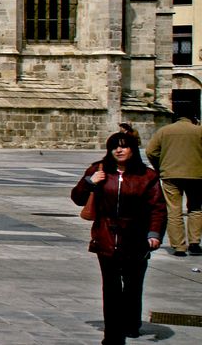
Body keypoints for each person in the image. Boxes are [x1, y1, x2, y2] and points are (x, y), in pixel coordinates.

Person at [71, 130, 167, 345]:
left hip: (136, 237)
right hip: (105, 235)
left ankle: (131, 324)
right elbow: (77, 198)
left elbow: (158, 208)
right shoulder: (99, 169)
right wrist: (89, 181)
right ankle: (113, 334)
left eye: (124, 146)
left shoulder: (147, 176)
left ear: (133, 150)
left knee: (133, 284)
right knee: (111, 287)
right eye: (115, 146)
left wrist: (154, 234)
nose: (119, 150)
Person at [148, 104, 202, 256]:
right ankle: (195, 243)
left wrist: (160, 166)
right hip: (196, 175)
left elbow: (151, 151)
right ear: (194, 117)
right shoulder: (199, 131)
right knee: (196, 208)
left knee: (174, 210)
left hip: (170, 175)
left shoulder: (164, 131)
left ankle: (179, 246)